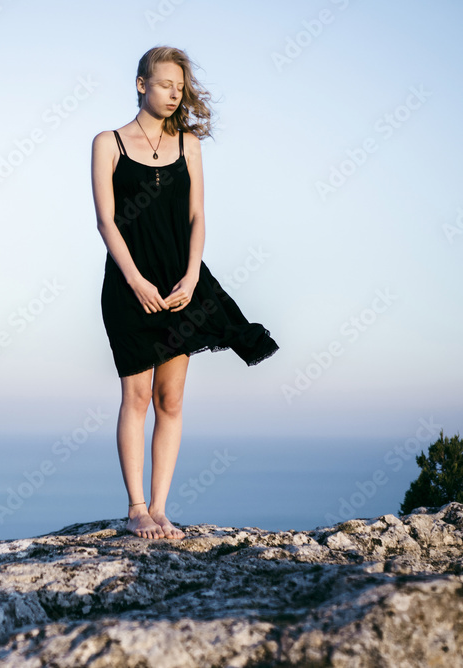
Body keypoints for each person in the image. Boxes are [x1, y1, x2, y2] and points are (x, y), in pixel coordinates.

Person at [91, 46, 279, 540]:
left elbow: (198, 217)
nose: (174, 94)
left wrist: (193, 275)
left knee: (170, 398)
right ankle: (136, 509)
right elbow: (106, 221)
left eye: (180, 86)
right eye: (164, 84)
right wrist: (134, 280)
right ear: (140, 85)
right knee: (136, 396)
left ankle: (160, 508)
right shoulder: (107, 143)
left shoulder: (189, 144)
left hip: (181, 283)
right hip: (129, 284)